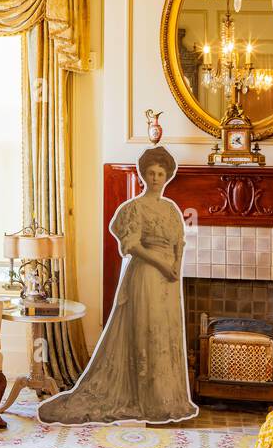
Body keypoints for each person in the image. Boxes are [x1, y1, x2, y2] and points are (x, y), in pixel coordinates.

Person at [38, 146, 198, 425]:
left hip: (168, 282)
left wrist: (176, 269)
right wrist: (162, 265)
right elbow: (133, 246)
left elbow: (179, 243)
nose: (156, 177)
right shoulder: (133, 208)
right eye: (151, 172)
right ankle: (144, 397)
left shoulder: (171, 209)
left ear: (168, 176)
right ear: (144, 175)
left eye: (161, 173)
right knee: (145, 332)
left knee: (164, 333)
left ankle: (165, 397)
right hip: (146, 276)